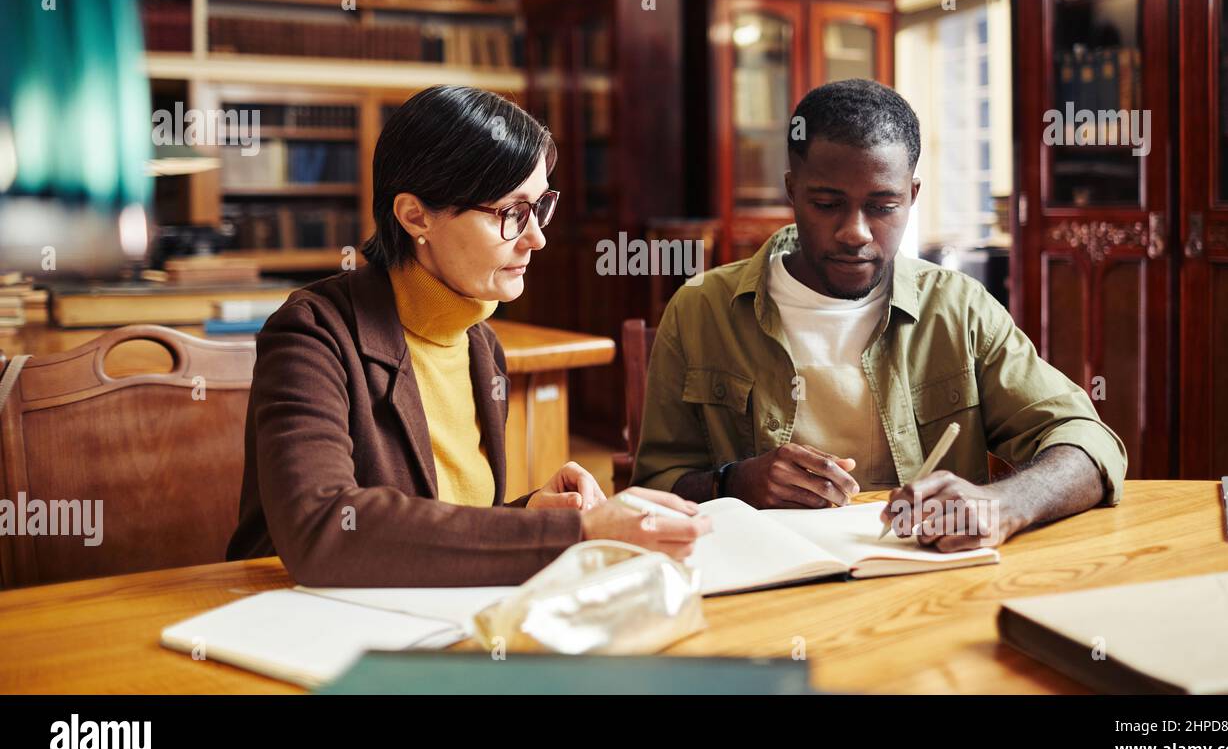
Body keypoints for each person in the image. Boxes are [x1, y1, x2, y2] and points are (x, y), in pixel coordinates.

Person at [228, 85, 710, 585]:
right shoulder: (311, 333)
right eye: (510, 213)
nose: (537, 237)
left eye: (539, 206)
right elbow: (324, 528)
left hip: (426, 621)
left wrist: (532, 515)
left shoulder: (481, 346)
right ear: (416, 216)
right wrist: (574, 532)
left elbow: (437, 523)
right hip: (299, 629)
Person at [633, 78, 1126, 550]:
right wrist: (734, 482)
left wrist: (1004, 503)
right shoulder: (701, 310)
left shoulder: (958, 309)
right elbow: (649, 492)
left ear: (912, 195)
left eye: (882, 206)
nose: (856, 232)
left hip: (924, 582)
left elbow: (1089, 442)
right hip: (763, 585)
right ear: (791, 189)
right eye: (827, 203)